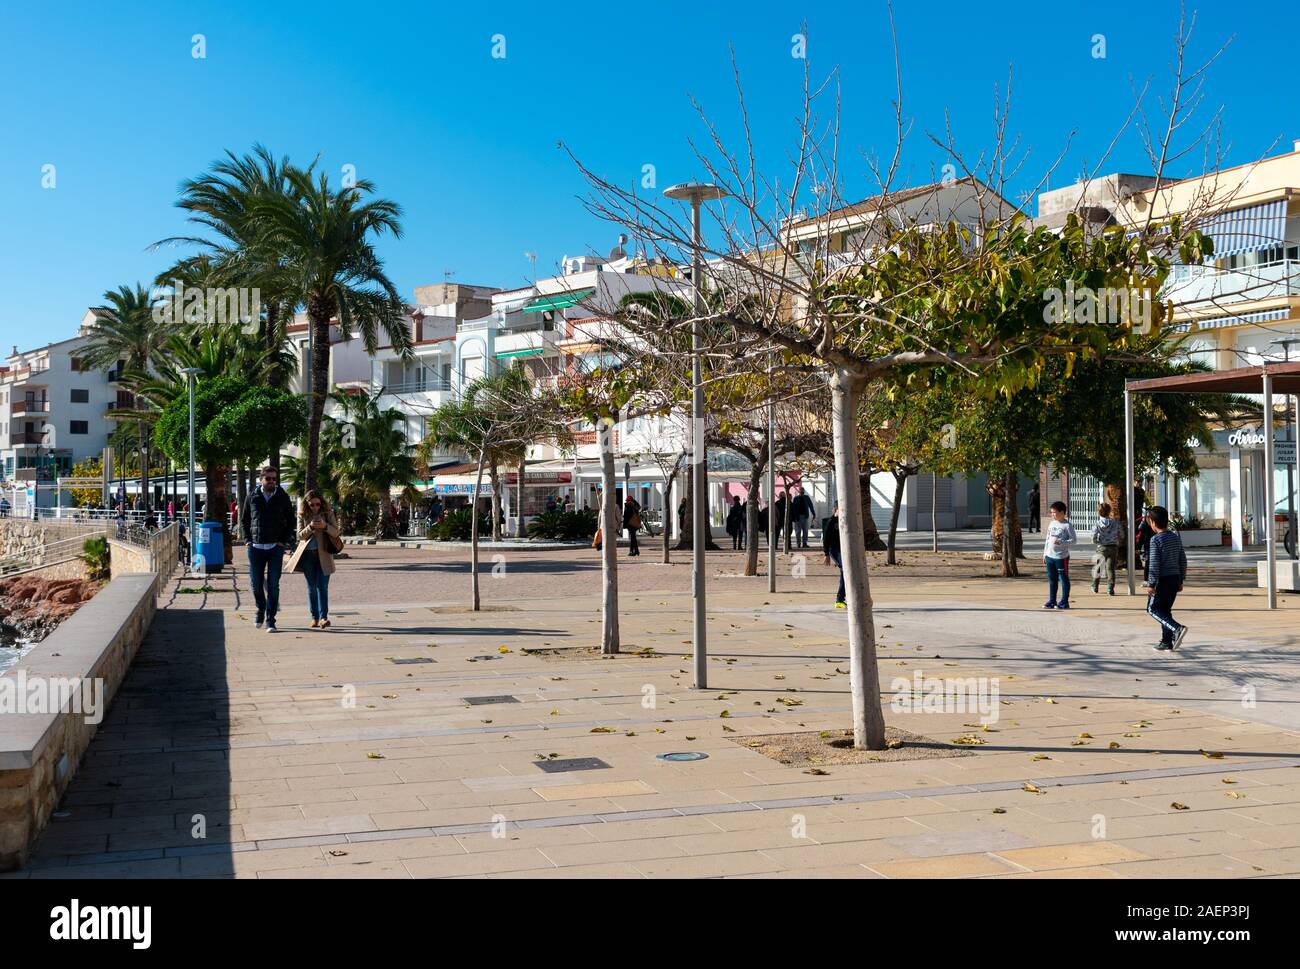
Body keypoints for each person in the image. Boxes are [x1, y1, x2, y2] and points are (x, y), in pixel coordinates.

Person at [241, 466, 295, 633]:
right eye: (268, 479)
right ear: (261, 479)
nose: (271, 481)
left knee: (273, 585)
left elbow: (291, 521)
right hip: (255, 548)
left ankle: (270, 620)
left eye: (274, 479)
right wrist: (247, 541)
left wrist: (282, 542)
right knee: (256, 584)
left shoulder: (282, 496)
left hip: (275, 548)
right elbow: (244, 520)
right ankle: (260, 610)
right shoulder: (252, 496)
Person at [287, 490, 341, 629]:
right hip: (307, 556)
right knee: (311, 587)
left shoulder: (328, 513)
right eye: (312, 505)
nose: (315, 507)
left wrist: (325, 526)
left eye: (318, 504)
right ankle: (314, 617)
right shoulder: (302, 515)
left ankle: (324, 617)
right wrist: (310, 527)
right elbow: (299, 536)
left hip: (324, 554)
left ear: (321, 503)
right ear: (307, 504)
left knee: (322, 587)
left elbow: (336, 532)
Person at [1144, 505, 1188, 651]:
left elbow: (1154, 563)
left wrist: (1151, 584)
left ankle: (1177, 628)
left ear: (1153, 523)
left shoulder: (1155, 540)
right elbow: (1182, 559)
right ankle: (1166, 641)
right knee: (1165, 610)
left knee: (1152, 609)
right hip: (1174, 578)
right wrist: (1181, 579)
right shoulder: (1175, 537)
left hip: (1162, 580)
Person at [1042, 499, 1075, 609]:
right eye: (1051, 512)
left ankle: (1064, 602)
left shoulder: (1067, 525)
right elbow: (1047, 539)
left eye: (1054, 512)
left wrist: (1062, 542)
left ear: (1062, 512)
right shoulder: (1052, 523)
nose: (1052, 515)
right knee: (1052, 579)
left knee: (1063, 579)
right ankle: (1052, 601)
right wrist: (1045, 554)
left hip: (1061, 557)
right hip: (1050, 556)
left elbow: (1074, 540)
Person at [1091, 502, 1121, 595]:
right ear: (1109, 511)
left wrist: (1097, 542)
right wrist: (1117, 539)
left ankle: (1095, 586)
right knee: (1110, 569)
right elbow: (1122, 534)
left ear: (1098, 512)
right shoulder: (1115, 522)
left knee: (1098, 567)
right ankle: (1110, 589)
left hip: (1102, 547)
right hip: (1113, 547)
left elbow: (1093, 537)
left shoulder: (1098, 523)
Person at [821, 504, 846, 608]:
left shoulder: (844, 520)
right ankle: (839, 599)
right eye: (841, 509)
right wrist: (826, 554)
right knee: (845, 569)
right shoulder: (831, 522)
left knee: (845, 572)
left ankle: (842, 597)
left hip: (843, 549)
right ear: (836, 509)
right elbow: (826, 539)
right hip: (834, 550)